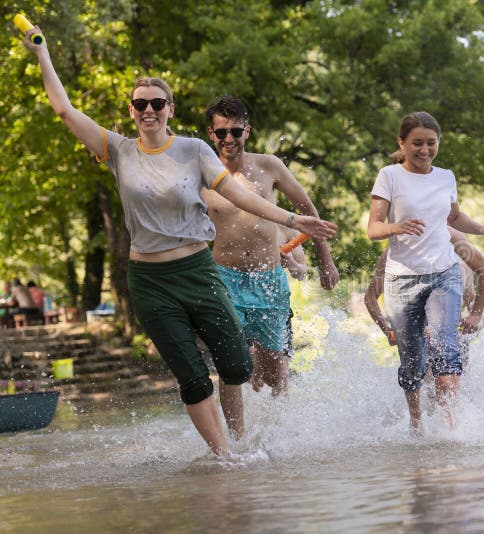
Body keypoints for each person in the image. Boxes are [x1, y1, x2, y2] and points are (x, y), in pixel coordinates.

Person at [22, 27, 336, 455]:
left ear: (169, 108)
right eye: (140, 104)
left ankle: (252, 437)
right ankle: (226, 455)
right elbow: (63, 109)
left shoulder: (194, 150)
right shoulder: (116, 149)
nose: (147, 110)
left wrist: (291, 218)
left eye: (156, 103)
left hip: (196, 269)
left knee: (238, 366)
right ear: (132, 111)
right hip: (150, 280)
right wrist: (41, 54)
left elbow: (239, 195)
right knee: (191, 374)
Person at [201, 96, 338, 436]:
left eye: (235, 131)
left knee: (274, 369)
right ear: (211, 134)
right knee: (233, 364)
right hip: (224, 278)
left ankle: (278, 437)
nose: (228, 139)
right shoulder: (201, 175)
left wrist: (325, 260)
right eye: (221, 133)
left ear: (247, 131)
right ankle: (234, 442)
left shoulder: (269, 166)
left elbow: (306, 208)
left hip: (268, 279)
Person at [367, 111, 484, 434]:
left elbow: (454, 218)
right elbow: (373, 229)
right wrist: (397, 227)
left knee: (446, 346)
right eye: (417, 143)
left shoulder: (446, 177)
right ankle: (417, 423)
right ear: (402, 143)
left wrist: (482, 229)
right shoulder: (389, 176)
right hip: (402, 278)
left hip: (444, 273)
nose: (425, 150)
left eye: (431, 143)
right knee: (413, 360)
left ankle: (449, 426)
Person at [364, 227, 484, 369]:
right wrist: (387, 330)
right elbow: (370, 297)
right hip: (418, 334)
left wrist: (476, 315)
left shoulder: (458, 251)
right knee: (424, 384)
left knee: (457, 387)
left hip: (452, 335)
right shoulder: (394, 252)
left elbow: (472, 299)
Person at [278, 226, 309, 359]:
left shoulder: (286, 228)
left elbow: (301, 273)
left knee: (280, 370)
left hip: (277, 304)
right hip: (237, 298)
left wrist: (291, 263)